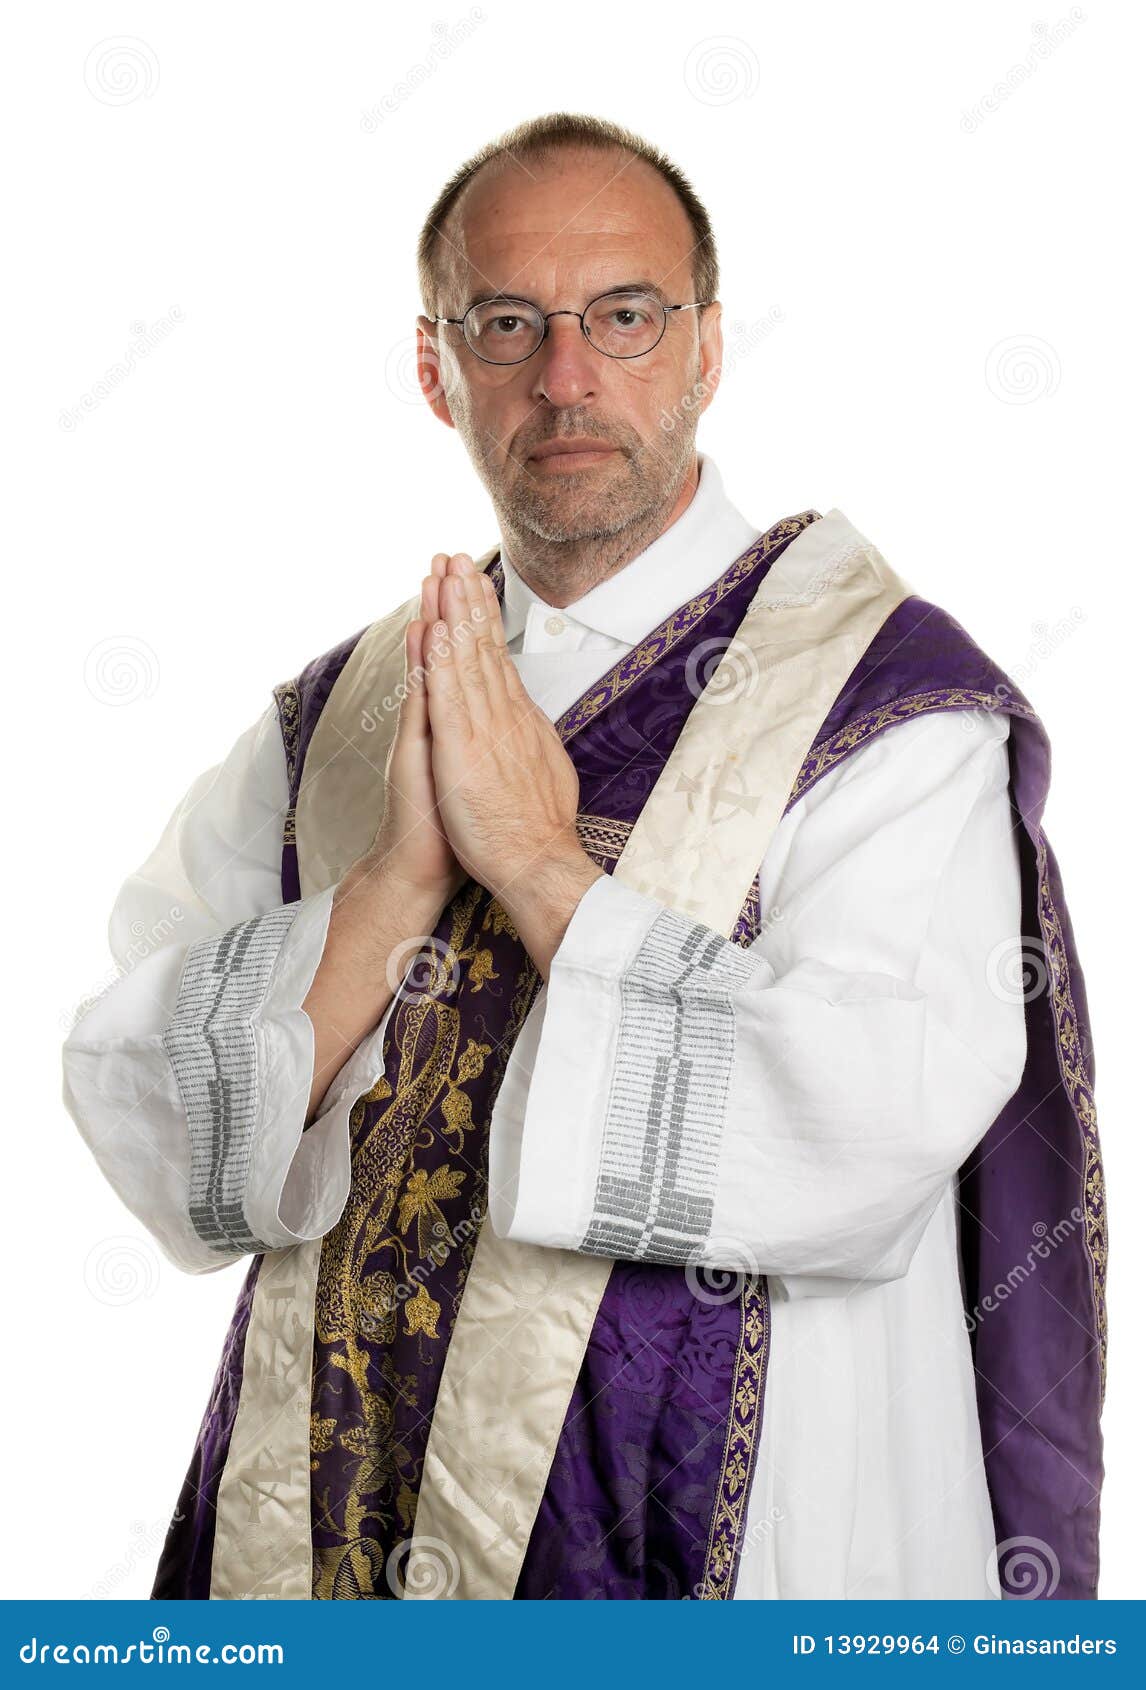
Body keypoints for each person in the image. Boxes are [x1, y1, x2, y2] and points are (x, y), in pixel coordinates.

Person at [62, 111, 1105, 1602]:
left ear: (704, 348)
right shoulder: (350, 713)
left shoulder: (877, 706)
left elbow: (877, 1116)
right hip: (328, 1528)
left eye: (622, 316)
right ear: (434, 368)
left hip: (738, 1537)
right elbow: (141, 1108)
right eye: (506, 323)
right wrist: (388, 895)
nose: (566, 377)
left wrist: (545, 871)